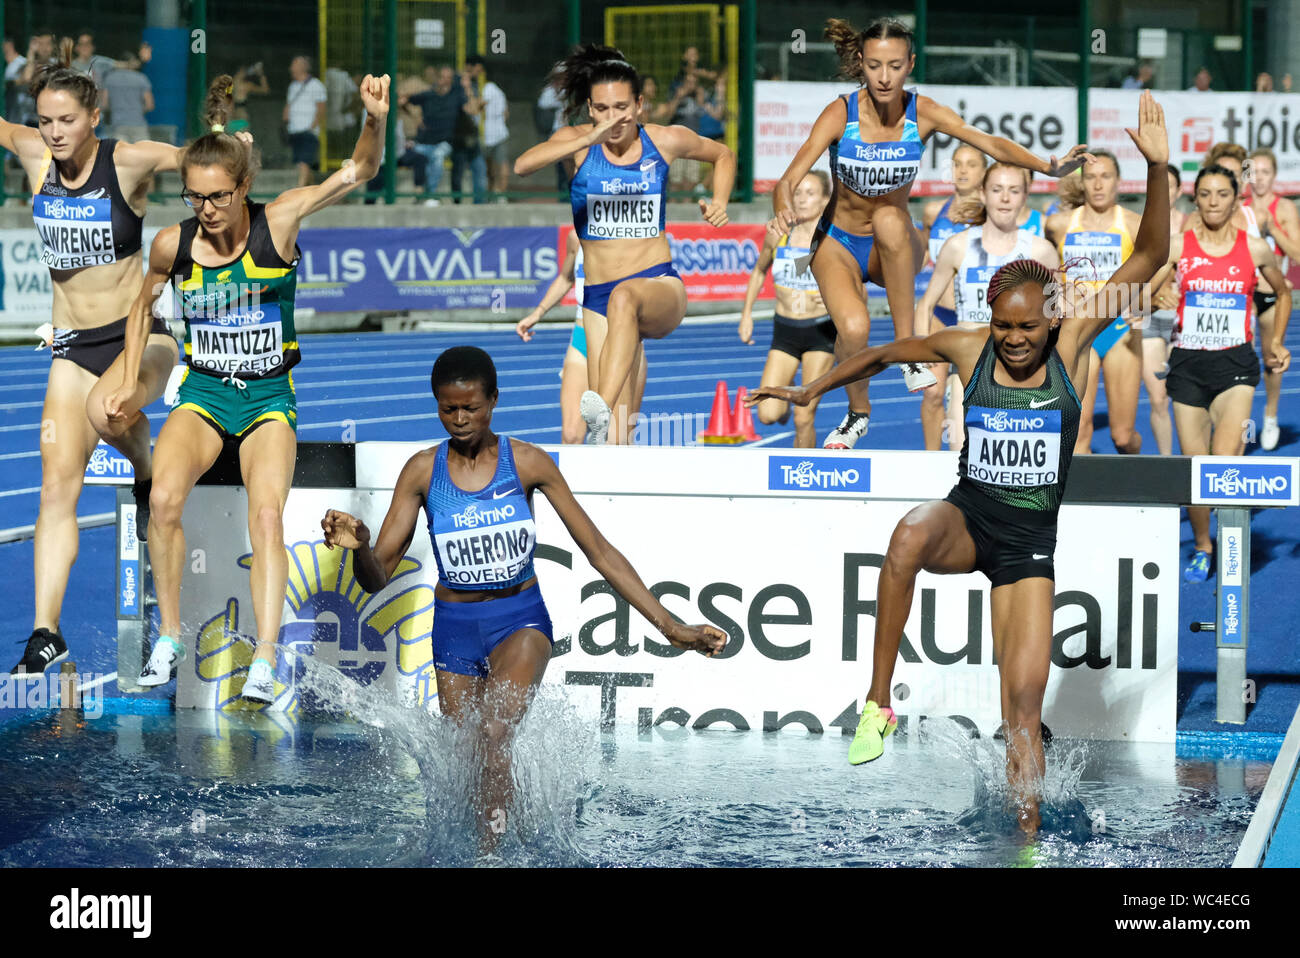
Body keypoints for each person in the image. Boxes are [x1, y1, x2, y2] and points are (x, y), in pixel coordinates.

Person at [750, 91, 1172, 835]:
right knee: (908, 537)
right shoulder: (971, 346)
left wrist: (1160, 172)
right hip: (971, 517)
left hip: (1028, 548)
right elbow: (885, 351)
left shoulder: (1071, 343)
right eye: (1003, 326)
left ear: (1052, 316)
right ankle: (877, 704)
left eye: (1026, 328)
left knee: (1020, 709)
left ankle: (1028, 837)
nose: (1014, 341)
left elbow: (1150, 255)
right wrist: (815, 383)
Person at [320, 345, 725, 850]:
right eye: (448, 409)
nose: (461, 419)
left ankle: (493, 859)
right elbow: (376, 578)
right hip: (453, 628)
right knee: (464, 760)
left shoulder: (527, 462)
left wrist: (672, 627)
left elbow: (598, 550)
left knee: (493, 734)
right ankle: (482, 839)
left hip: (520, 621)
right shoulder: (423, 472)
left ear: (495, 400)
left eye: (472, 407)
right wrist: (359, 545)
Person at [111, 74, 390, 700]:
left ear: (243, 188)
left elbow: (359, 172)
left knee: (267, 518)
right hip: (206, 394)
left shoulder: (279, 221)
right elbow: (140, 308)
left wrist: (373, 120)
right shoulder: (171, 244)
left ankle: (264, 660)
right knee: (162, 501)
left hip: (267, 400)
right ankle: (171, 638)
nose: (205, 211)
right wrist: (130, 382)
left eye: (217, 198)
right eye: (193, 198)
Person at [772, 17, 1088, 450]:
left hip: (895, 245)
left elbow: (990, 143)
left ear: (911, 64)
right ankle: (858, 412)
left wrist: (1048, 167)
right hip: (839, 242)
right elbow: (787, 180)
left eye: (896, 66)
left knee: (887, 217)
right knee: (855, 329)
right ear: (861, 63)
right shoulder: (840, 113)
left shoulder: (923, 112)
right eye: (876, 66)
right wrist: (782, 209)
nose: (885, 77)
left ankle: (908, 347)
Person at [4, 40, 186, 679]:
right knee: (55, 486)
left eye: (67, 121)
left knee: (109, 409)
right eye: (46, 120)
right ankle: (45, 633)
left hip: (140, 334)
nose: (54, 133)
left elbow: (193, 160)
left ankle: (145, 470)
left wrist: (226, 148)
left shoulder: (128, 163)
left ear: (94, 118)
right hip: (73, 345)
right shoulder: (33, 154)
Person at [514, 43, 736, 445]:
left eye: (621, 108)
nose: (612, 118)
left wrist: (719, 201)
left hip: (658, 286)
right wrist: (587, 137)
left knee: (624, 298)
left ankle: (599, 404)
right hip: (596, 300)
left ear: (638, 104)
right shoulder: (578, 143)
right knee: (615, 434)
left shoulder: (664, 141)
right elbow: (523, 165)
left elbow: (723, 154)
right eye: (601, 109)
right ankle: (607, 443)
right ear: (589, 108)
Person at [1145, 163, 1291, 581]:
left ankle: (1229, 543)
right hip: (1188, 367)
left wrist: (1276, 342)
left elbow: (1282, 292)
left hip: (1236, 368)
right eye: (1205, 194)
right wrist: (1158, 292)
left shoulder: (1255, 248)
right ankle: (1204, 545)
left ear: (1235, 198)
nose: (1213, 202)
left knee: (1225, 463)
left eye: (1222, 194)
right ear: (1195, 198)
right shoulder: (1177, 246)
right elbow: (1139, 288)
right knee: (1196, 467)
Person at [916, 162, 1061, 451]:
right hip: (969, 369)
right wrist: (922, 351)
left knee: (1015, 460)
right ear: (983, 194)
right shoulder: (958, 246)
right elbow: (926, 303)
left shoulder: (1040, 250)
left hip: (1023, 373)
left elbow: (1057, 314)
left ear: (1024, 195)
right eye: (997, 190)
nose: (1005, 198)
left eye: (1013, 190)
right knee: (960, 457)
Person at [1045, 149, 1144, 455]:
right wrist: (1053, 301)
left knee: (1123, 436)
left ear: (1118, 181)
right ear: (1083, 183)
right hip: (1077, 330)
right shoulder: (1058, 224)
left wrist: (1144, 299)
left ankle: (1136, 477)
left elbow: (1160, 262)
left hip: (1118, 331)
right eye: (1091, 177)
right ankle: (1076, 502)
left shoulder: (1133, 224)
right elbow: (1046, 267)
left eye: (1106, 177)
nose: (1098, 184)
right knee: (1079, 428)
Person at [515, 230, 648, 444]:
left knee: (617, 441)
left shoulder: (635, 237)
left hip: (621, 346)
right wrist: (537, 313)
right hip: (582, 338)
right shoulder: (575, 238)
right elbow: (566, 277)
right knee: (571, 435)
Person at [738, 171, 835, 448]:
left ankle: (802, 480)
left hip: (821, 332)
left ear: (825, 200)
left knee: (804, 417)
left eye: (811, 193)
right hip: (785, 332)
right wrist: (746, 315)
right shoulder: (778, 234)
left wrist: (831, 300)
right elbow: (758, 272)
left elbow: (858, 290)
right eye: (798, 193)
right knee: (768, 415)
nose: (802, 200)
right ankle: (790, 381)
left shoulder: (832, 240)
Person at [1245, 148, 1300, 450]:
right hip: (1243, 293)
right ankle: (1242, 421)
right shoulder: (1240, 207)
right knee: (1240, 359)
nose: (1260, 178)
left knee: (1272, 358)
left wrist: (1272, 230)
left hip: (1272, 293)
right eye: (1254, 172)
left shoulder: (1285, 208)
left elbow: (1297, 254)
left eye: (1265, 172)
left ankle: (1270, 415)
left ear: (1274, 176)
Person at [1139, 164, 1187, 456]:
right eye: (1158, 186)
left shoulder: (1191, 225)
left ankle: (1196, 457)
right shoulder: (1139, 227)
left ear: (1179, 191)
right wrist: (1154, 298)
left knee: (1185, 396)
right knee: (1158, 398)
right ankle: (1167, 464)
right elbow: (1132, 280)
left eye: (1170, 186)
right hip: (1148, 317)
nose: (1163, 192)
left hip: (1183, 319)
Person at [400, 64, 474, 204]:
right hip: (424, 141)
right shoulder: (428, 95)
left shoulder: (457, 95)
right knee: (420, 158)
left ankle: (431, 195)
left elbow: (471, 109)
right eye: (442, 77)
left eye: (448, 78)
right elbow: (402, 100)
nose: (444, 81)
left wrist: (467, 88)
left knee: (438, 156)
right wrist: (414, 117)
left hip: (444, 142)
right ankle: (421, 195)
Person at [468, 55, 509, 200]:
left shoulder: (489, 88)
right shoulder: (498, 90)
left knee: (498, 166)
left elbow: (474, 109)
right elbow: (506, 113)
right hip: (495, 133)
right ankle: (495, 194)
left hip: (492, 135)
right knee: (492, 168)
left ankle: (500, 194)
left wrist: (466, 88)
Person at [284, 55, 327, 188]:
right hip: (294, 129)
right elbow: (289, 105)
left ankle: (299, 188)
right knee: (302, 163)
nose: (291, 68)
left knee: (303, 161)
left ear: (303, 67)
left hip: (308, 130)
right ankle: (314, 189)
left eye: (294, 65)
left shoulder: (316, 85)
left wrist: (313, 126)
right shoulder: (293, 86)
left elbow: (321, 108)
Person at [103, 51, 153, 144]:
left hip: (117, 125)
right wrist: (137, 110)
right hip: (138, 124)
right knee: (143, 156)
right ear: (132, 62)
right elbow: (150, 105)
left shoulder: (109, 79)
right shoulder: (142, 78)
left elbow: (104, 104)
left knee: (120, 157)